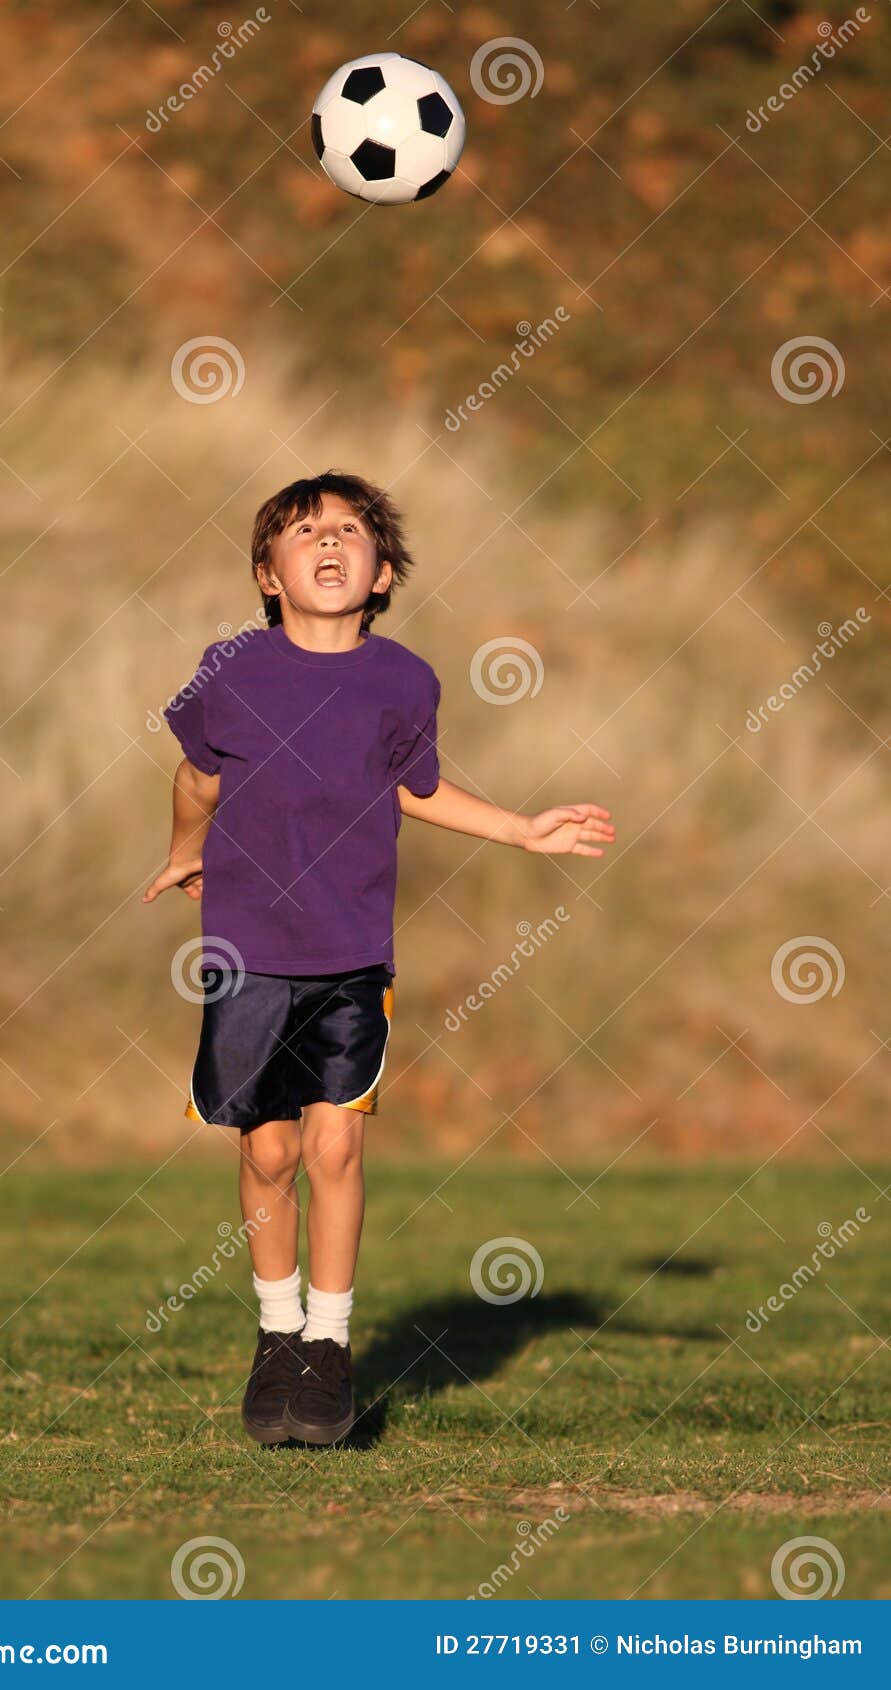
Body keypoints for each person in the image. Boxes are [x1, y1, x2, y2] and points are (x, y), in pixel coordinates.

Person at [143, 469, 614, 1446]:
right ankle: (276, 1334)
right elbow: (197, 776)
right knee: (266, 1149)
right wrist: (185, 847)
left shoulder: (403, 679)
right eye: (304, 531)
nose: (328, 543)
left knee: (335, 1143)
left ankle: (327, 1346)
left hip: (351, 951)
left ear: (382, 570)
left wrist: (524, 829)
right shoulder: (226, 668)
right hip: (245, 948)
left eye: (351, 532)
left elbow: (414, 788)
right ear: (266, 572)